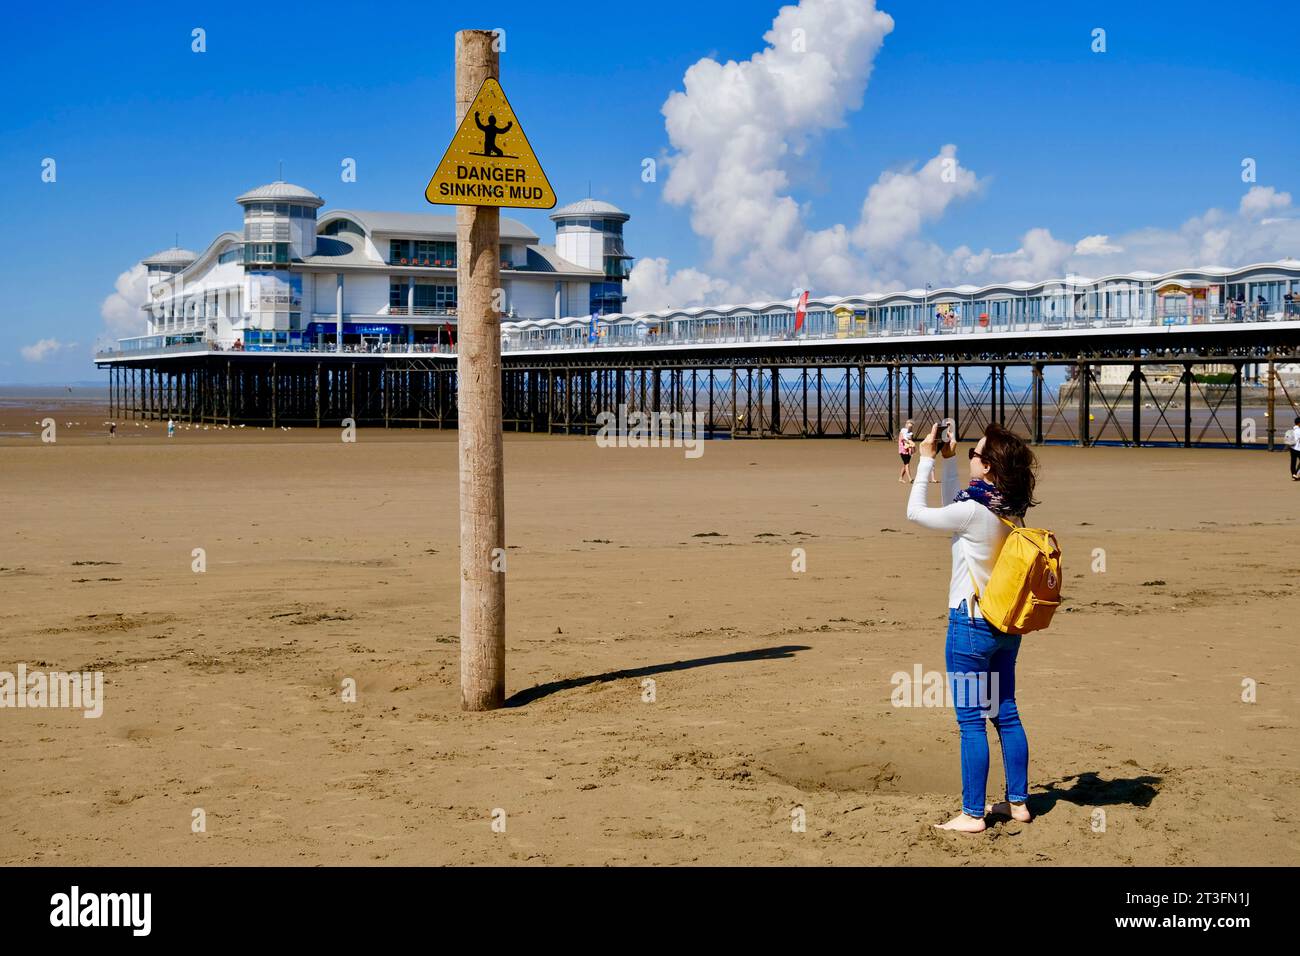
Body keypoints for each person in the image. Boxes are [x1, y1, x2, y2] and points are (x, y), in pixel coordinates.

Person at [905, 421, 1040, 833]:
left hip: (969, 626)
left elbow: (917, 514)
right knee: (1007, 714)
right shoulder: (1007, 508)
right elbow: (955, 509)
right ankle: (1018, 804)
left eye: (974, 455)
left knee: (971, 721)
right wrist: (948, 462)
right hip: (1005, 626)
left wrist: (924, 461)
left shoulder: (973, 510)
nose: (970, 459)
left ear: (990, 467)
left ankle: (972, 813)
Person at [1287, 416, 1300, 481]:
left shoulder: (1292, 429)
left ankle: (1293, 475)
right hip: (1298, 449)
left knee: (1293, 462)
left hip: (1292, 448)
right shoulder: (1299, 430)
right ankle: (1296, 475)